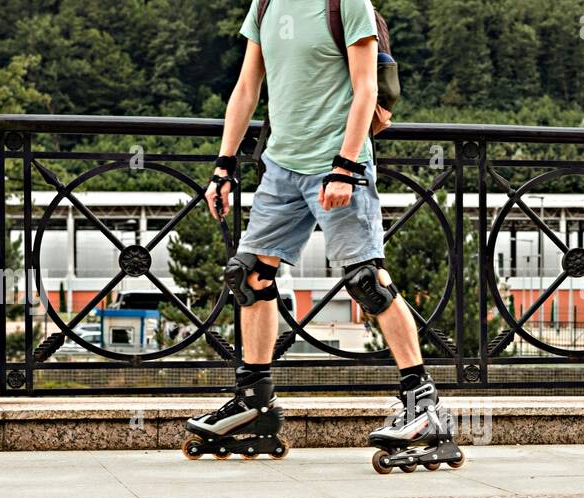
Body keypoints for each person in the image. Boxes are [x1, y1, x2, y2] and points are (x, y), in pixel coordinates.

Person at [183, 0, 463, 473]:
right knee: (249, 276)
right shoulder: (266, 4)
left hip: (337, 165)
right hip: (280, 166)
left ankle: (426, 408)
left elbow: (365, 86)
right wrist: (224, 165)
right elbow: (247, 85)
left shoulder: (346, 2)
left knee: (367, 281)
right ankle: (256, 404)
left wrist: (347, 164)